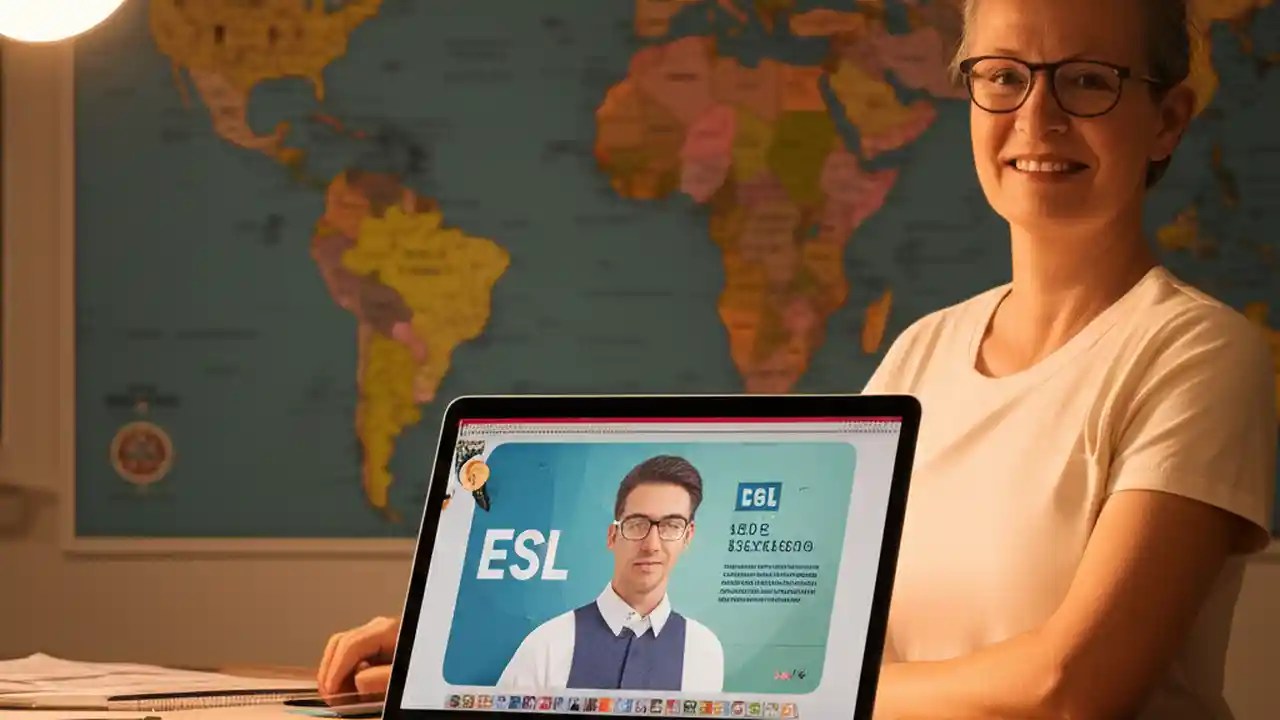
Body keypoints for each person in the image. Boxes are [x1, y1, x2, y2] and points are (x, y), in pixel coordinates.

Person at [861, 0, 1275, 718]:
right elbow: (812, 633)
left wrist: (813, 696)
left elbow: (1071, 688)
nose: (1036, 116)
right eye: (1002, 76)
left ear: (1167, 120)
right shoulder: (918, 354)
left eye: (1087, 80)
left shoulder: (1196, 351)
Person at [495, 454, 724, 692]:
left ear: (687, 536)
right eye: (637, 524)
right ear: (612, 535)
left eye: (671, 526)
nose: (651, 545)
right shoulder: (547, 645)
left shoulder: (703, 652)